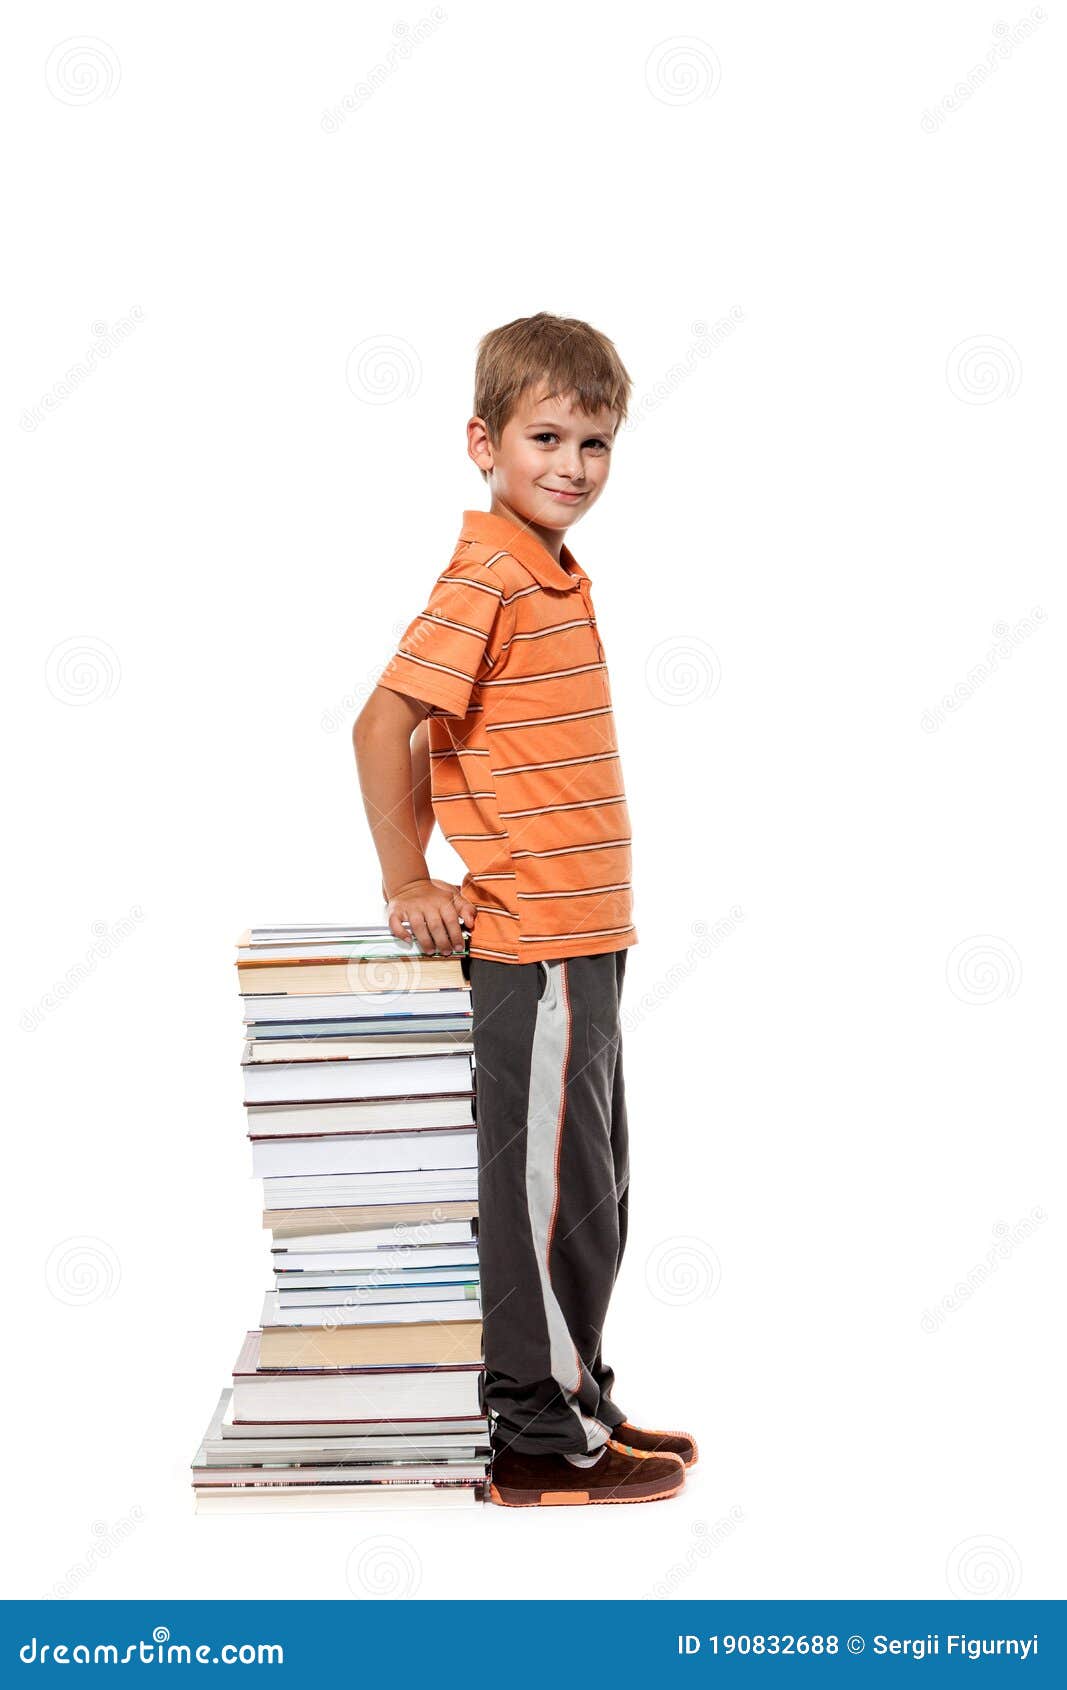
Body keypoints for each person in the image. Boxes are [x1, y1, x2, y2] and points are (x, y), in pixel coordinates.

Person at [353, 312, 697, 1506]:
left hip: (585, 936)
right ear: (482, 442)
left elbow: (460, 737)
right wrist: (407, 879)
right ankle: (537, 1436)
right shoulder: (489, 572)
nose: (572, 465)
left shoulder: (548, 569)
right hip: (531, 940)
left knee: (589, 1189)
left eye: (594, 442)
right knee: (545, 1200)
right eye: (544, 437)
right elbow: (383, 721)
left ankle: (580, 1398)